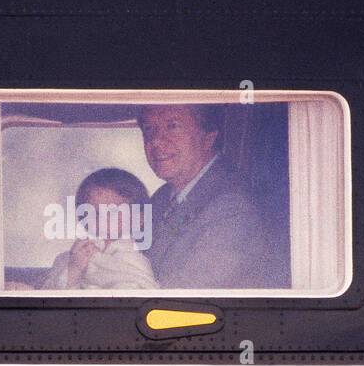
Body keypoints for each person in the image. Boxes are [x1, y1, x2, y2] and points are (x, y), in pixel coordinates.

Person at [138, 103, 287, 289]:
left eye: (172, 126)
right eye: (149, 129)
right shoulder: (161, 197)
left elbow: (184, 294)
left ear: (208, 138)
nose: (155, 141)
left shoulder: (234, 206)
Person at [39, 168, 157, 290]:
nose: (102, 219)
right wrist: (73, 270)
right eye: (94, 212)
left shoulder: (134, 261)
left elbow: (138, 293)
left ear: (139, 219)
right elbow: (50, 294)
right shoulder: (71, 256)